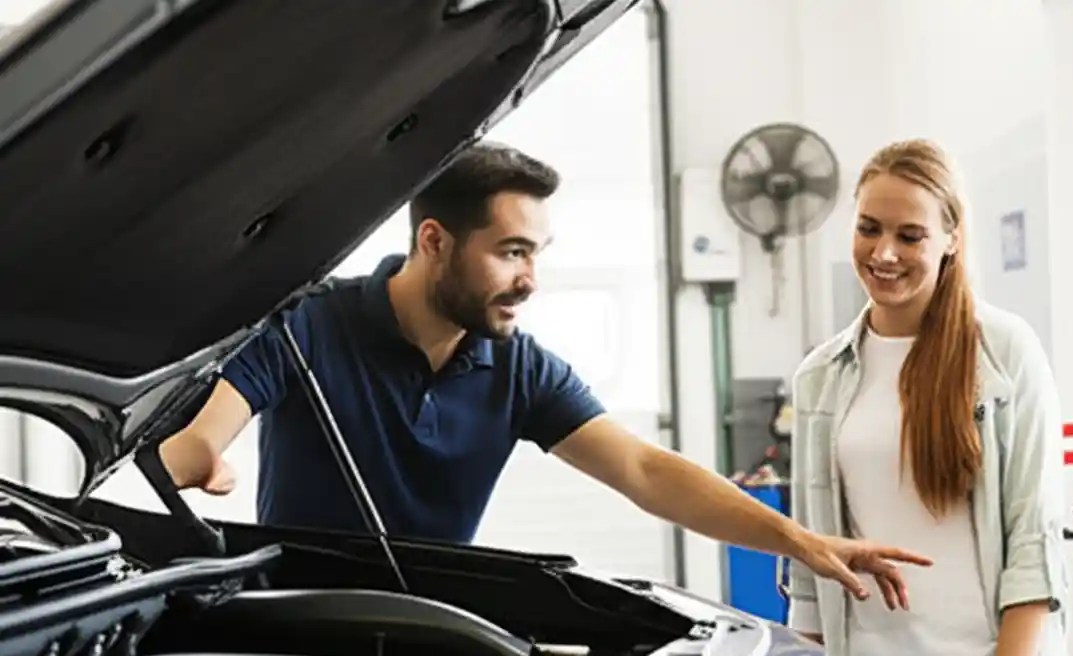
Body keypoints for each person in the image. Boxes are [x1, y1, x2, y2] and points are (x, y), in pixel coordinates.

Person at [158, 140, 933, 606]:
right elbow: (193, 442)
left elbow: (642, 469)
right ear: (436, 241)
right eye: (512, 252)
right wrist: (203, 462)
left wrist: (796, 541)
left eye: (538, 253)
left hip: (427, 636)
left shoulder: (517, 368)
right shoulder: (308, 325)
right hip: (286, 641)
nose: (531, 278)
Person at [784, 138, 1069, 656]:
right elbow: (811, 549)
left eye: (909, 236)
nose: (884, 253)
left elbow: (1033, 532)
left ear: (950, 240)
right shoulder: (821, 375)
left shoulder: (1003, 351)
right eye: (868, 229)